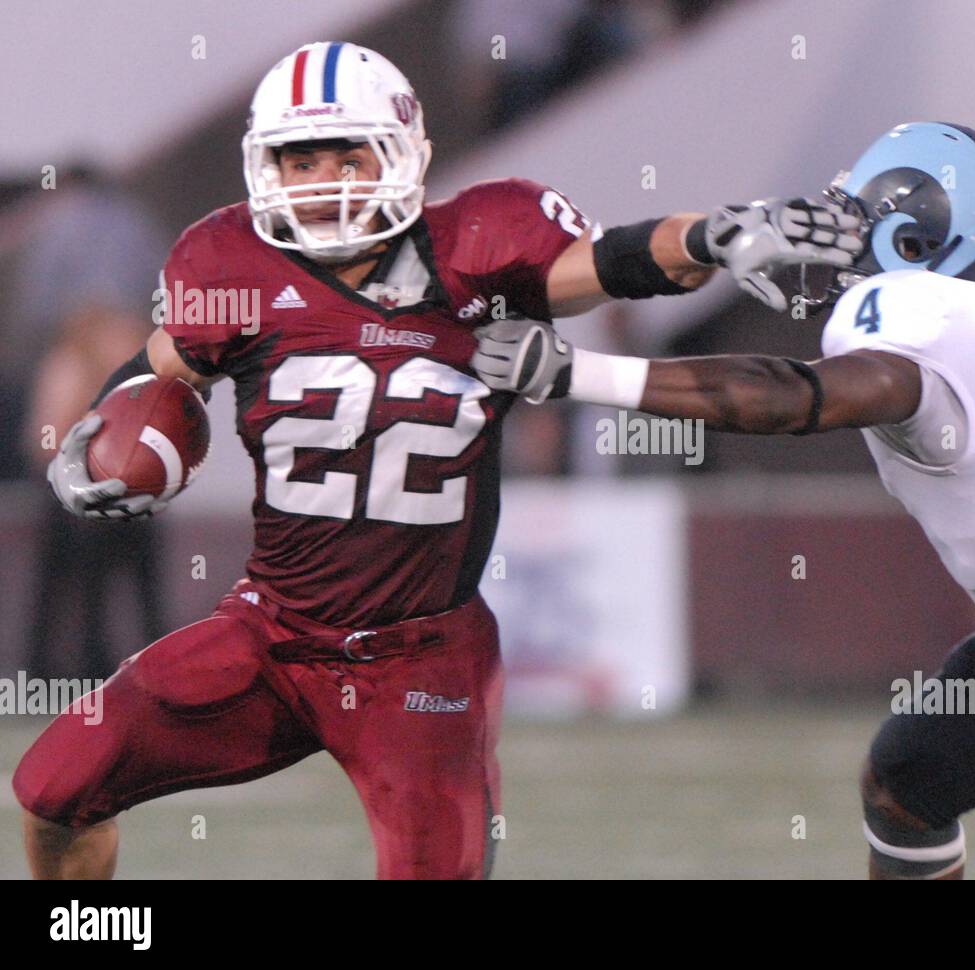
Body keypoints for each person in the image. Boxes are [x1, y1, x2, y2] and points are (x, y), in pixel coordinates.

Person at [14, 40, 862, 880]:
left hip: (420, 661)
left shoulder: (481, 243)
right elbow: (157, 371)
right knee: (54, 787)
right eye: (300, 159)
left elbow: (620, 262)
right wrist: (95, 439)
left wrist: (714, 236)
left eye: (350, 152)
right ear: (262, 168)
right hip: (270, 633)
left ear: (405, 154)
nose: (327, 180)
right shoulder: (231, 260)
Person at [471, 124, 975, 879]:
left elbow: (785, 397)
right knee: (904, 789)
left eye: (866, 217)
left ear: (921, 235)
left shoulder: (925, 339)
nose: (849, 239)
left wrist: (583, 374)